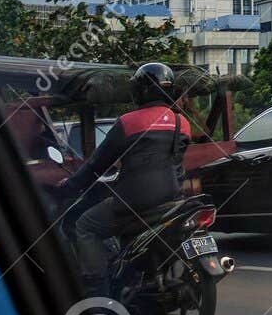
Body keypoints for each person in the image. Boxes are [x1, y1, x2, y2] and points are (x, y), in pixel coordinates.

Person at [58, 61, 193, 294]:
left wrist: (71, 186)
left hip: (133, 202)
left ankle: (98, 291)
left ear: (140, 91)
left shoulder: (128, 122)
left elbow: (97, 164)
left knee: (85, 226)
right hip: (172, 198)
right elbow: (173, 162)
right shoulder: (183, 124)